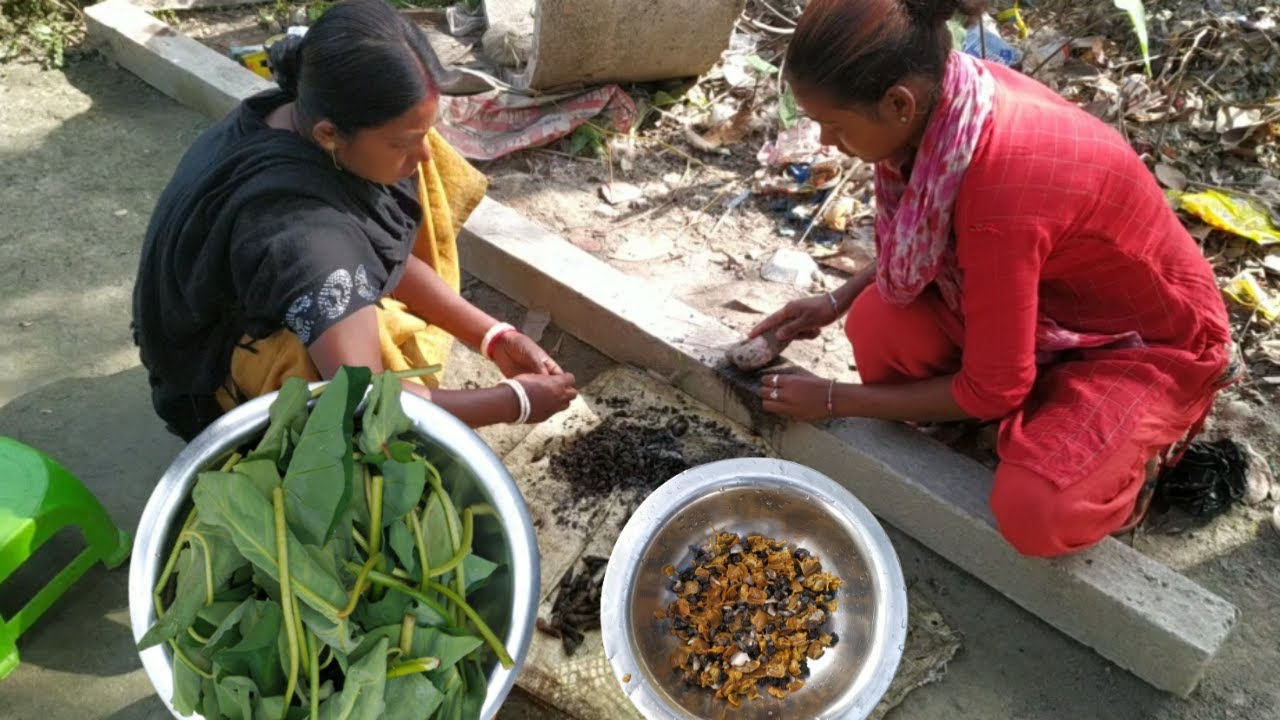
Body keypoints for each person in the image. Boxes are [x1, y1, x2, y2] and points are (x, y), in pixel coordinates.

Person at [750, 0, 1235, 556]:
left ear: (898, 104)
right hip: (1045, 302)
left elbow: (992, 387)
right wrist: (834, 301)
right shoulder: (949, 102)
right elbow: (925, 237)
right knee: (877, 323)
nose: (824, 141)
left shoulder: (1001, 192)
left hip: (1142, 342)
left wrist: (836, 399)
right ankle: (1003, 421)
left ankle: (1126, 470)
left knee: (1037, 510)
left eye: (834, 125)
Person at [132, 0, 577, 441]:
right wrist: (511, 402)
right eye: (404, 142)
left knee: (428, 163)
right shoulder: (306, 237)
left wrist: (494, 336)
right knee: (351, 417)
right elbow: (364, 400)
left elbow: (379, 252)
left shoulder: (293, 113)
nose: (423, 154)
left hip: (254, 291)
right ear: (328, 134)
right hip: (210, 387)